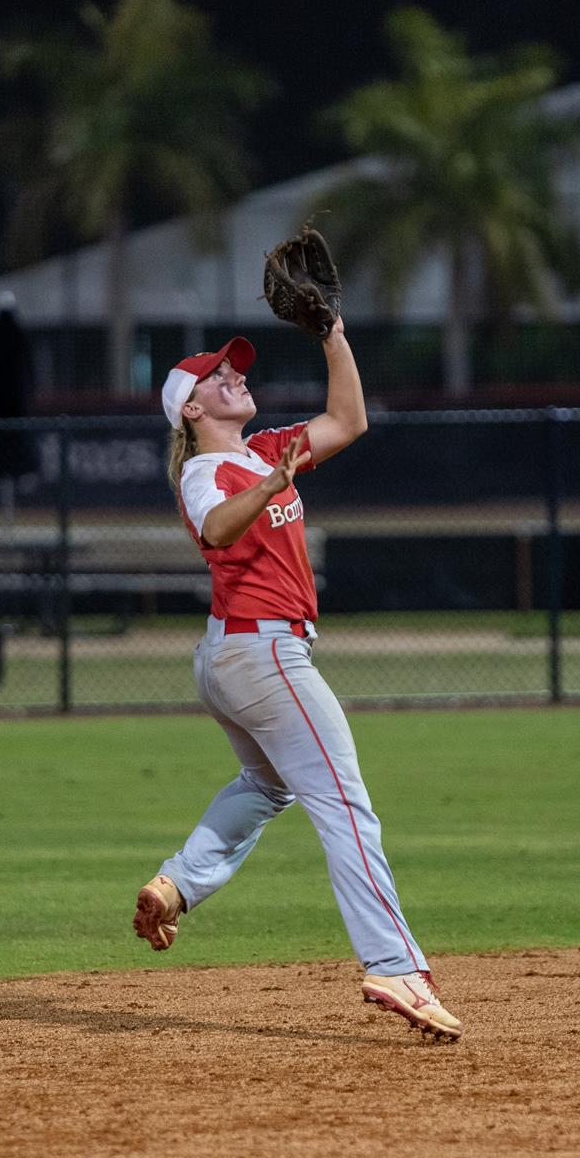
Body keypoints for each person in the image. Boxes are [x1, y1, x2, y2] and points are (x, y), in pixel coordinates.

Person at [132, 320, 463, 1041]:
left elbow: (349, 419)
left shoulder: (264, 450)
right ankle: (395, 964)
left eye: (235, 370)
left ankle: (178, 883)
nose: (235, 377)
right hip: (261, 656)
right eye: (219, 376)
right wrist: (270, 487)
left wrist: (333, 334)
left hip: (241, 656)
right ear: (192, 407)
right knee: (346, 804)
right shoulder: (204, 471)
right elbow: (217, 528)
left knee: (267, 785)